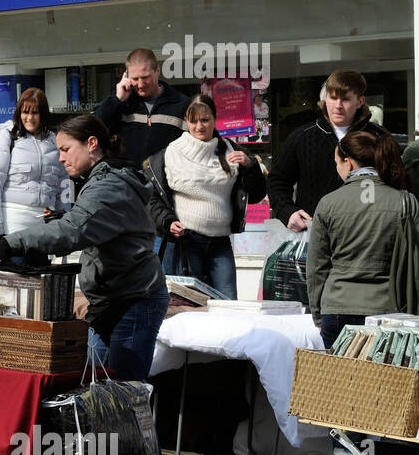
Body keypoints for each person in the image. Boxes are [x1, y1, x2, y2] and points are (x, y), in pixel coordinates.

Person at [0, 114, 167, 382]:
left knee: (123, 395)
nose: (60, 158)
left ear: (91, 143)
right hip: (114, 300)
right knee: (95, 385)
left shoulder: (109, 184)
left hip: (134, 299)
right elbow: (87, 224)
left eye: (65, 149)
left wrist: (13, 241)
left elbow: (74, 230)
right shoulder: (104, 178)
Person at [145, 94, 267, 299]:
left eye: (205, 120)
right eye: (193, 121)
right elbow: (151, 198)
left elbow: (256, 195)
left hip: (220, 242)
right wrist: (168, 221)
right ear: (186, 121)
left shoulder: (232, 150)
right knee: (191, 304)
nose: (199, 126)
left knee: (229, 304)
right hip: (186, 242)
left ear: (215, 119)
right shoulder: (171, 153)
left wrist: (250, 166)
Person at [308, 130, 419, 350]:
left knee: (338, 381)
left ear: (348, 163)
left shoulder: (328, 203)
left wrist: (319, 316)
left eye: (337, 162)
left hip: (338, 306)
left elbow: (316, 267)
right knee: (385, 382)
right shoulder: (406, 201)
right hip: (390, 309)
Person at [268, 69, 390, 232]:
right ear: (325, 98)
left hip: (368, 233)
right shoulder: (302, 137)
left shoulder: (379, 137)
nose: (338, 106)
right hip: (315, 232)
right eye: (333, 98)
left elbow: (396, 181)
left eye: (346, 99)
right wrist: (288, 212)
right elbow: (277, 180)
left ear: (360, 101)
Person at [0, 87, 68, 245]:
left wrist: (64, 219)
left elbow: (64, 181)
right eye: (25, 112)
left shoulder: (54, 140)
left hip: (44, 225)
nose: (29, 118)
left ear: (43, 114)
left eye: (35, 113)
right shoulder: (7, 136)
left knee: (42, 270)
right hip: (12, 222)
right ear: (19, 113)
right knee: (14, 269)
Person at [93, 47, 188, 168]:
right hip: (127, 183)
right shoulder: (119, 104)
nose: (140, 84)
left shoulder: (181, 104)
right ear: (126, 76)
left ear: (157, 71)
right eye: (135, 79)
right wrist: (117, 100)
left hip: (165, 183)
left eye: (145, 77)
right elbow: (91, 129)